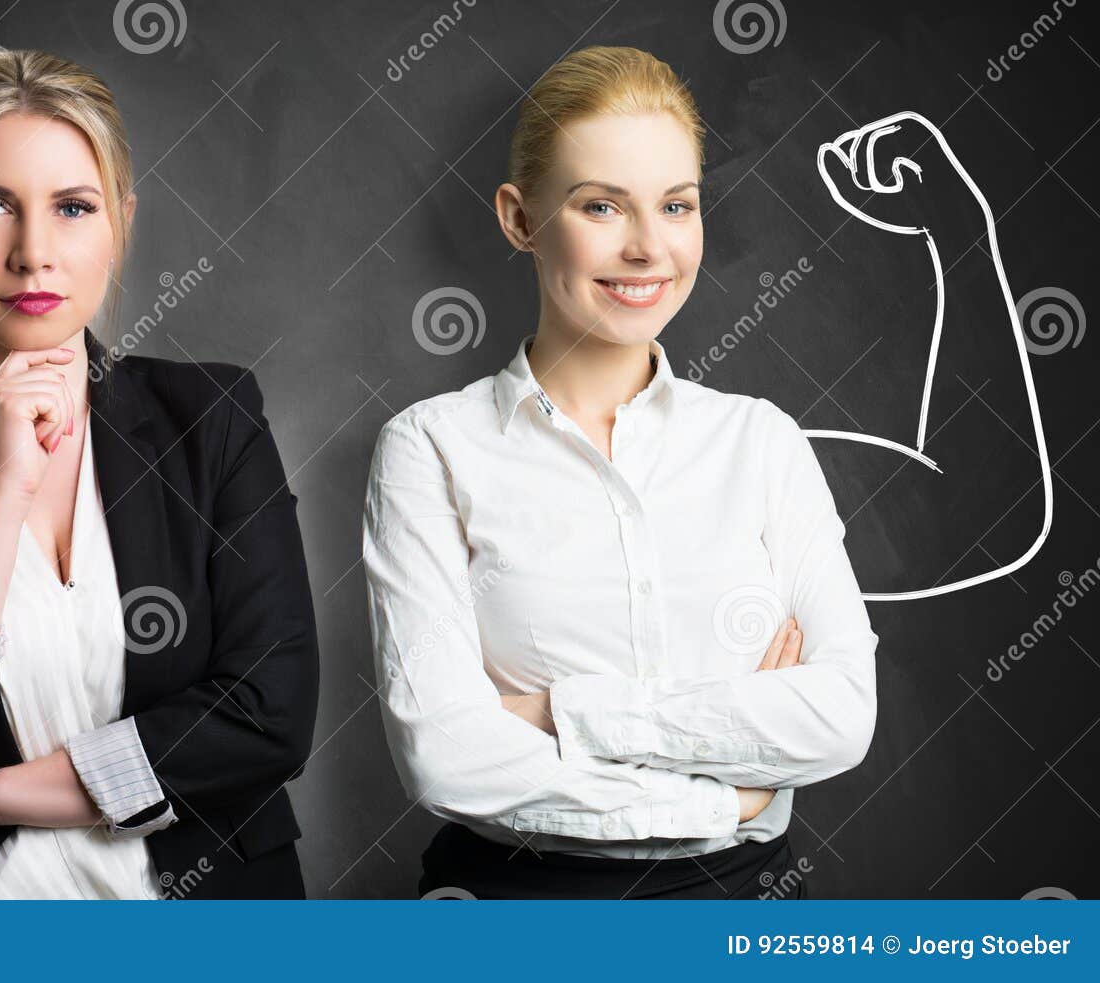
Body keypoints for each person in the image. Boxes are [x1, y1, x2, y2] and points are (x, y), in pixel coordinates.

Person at [0, 48, 319, 899]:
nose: (33, 253)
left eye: (73, 207)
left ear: (120, 222)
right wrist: (2, 496)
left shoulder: (214, 420)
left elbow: (268, 717)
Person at [363, 46, 878, 899]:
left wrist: (564, 714)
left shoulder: (761, 442)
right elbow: (446, 758)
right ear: (520, 219)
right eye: (601, 205)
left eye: (676, 205)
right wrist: (723, 795)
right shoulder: (429, 448)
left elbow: (838, 718)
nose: (648, 248)